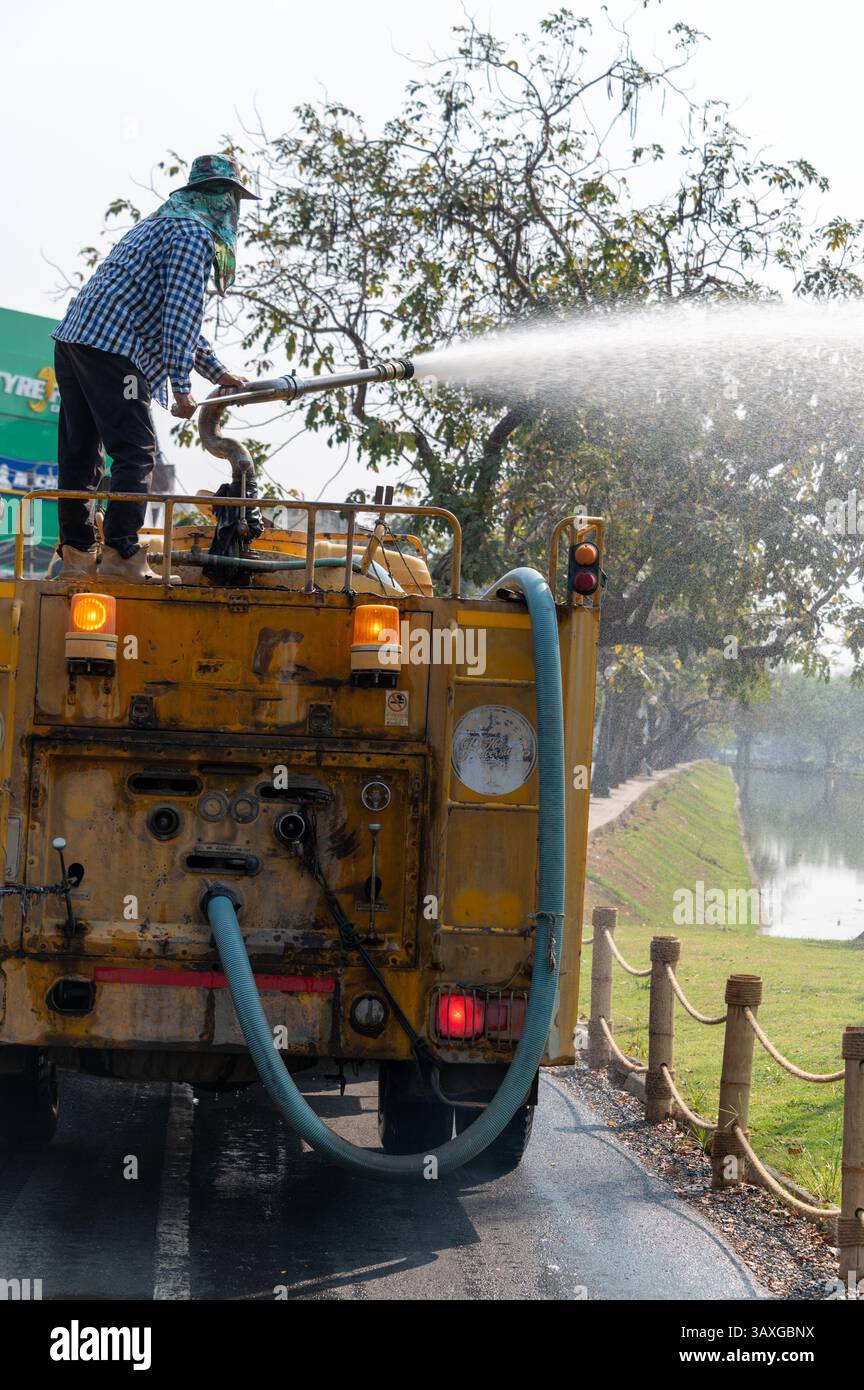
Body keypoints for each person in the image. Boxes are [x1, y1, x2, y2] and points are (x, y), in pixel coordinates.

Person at [52, 154, 257, 581]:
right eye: (231, 198)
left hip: (76, 340)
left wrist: (215, 371)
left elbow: (169, 308)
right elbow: (179, 317)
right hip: (113, 349)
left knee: (80, 453)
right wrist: (182, 387)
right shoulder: (193, 234)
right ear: (223, 200)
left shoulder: (161, 222)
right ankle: (122, 555)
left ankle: (77, 555)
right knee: (136, 450)